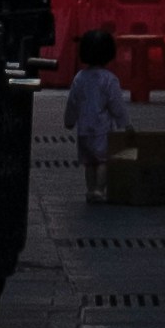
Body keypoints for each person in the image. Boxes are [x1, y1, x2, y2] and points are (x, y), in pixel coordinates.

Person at [65, 26, 129, 209]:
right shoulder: (109, 79)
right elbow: (116, 105)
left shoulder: (79, 78)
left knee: (89, 162)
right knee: (103, 160)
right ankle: (100, 190)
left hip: (84, 129)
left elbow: (73, 102)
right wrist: (125, 124)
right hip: (102, 129)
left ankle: (90, 189)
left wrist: (69, 120)